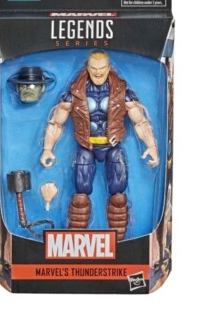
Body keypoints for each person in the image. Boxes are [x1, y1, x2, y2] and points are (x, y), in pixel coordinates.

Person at [40, 50, 158, 240]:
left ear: (109, 68)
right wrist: (47, 149)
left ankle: (120, 243)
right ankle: (75, 239)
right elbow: (56, 123)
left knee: (118, 195)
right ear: (87, 68)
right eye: (94, 68)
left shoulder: (122, 92)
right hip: (86, 145)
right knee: (80, 195)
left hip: (112, 145)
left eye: (102, 68)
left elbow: (141, 122)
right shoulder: (75, 93)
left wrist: (151, 146)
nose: (98, 72)